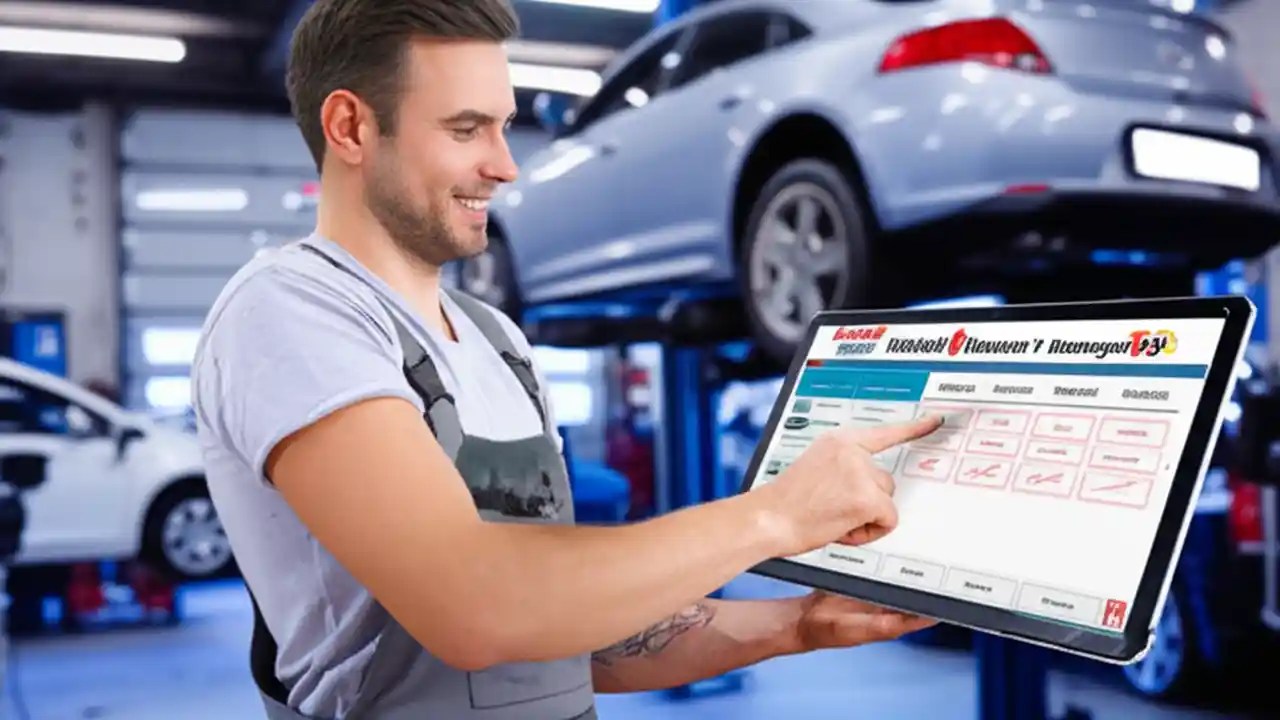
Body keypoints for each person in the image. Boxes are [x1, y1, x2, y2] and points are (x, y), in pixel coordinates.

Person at [189, 1, 944, 718]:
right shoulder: (287, 310)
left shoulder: (498, 340)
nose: (505, 165)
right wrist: (776, 515)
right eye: (466, 129)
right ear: (351, 126)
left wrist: (798, 624)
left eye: (506, 127)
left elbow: (569, 630)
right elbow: (477, 605)